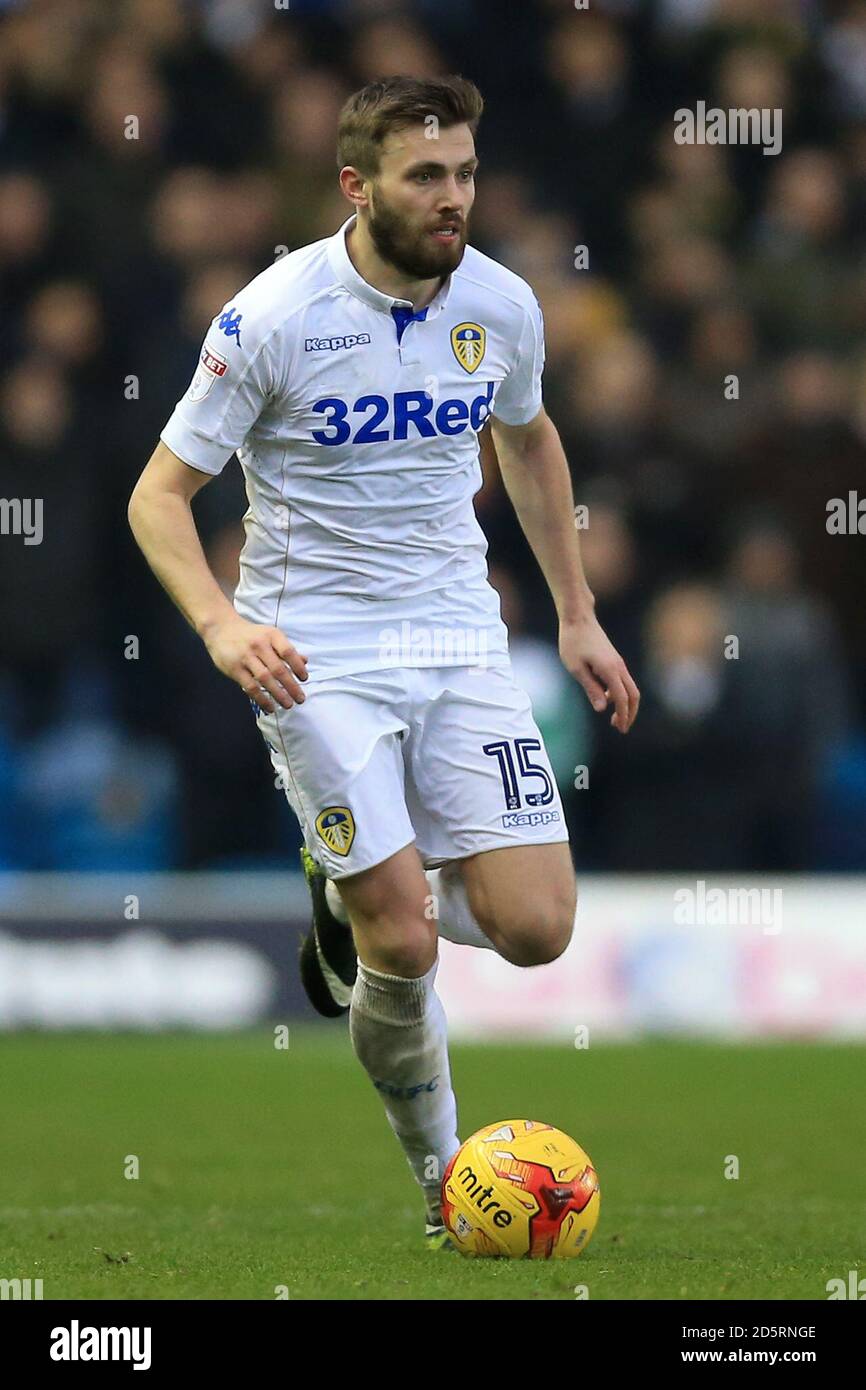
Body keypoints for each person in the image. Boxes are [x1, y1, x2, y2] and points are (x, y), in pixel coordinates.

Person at [128, 74, 639, 1249]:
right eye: (425, 177)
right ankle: (443, 1177)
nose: (452, 196)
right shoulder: (272, 317)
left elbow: (528, 436)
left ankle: (350, 890)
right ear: (357, 188)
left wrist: (574, 613)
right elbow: (159, 499)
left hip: (459, 632)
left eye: (463, 172)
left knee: (536, 926)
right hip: (316, 651)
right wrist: (221, 625)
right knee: (402, 940)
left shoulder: (502, 306)